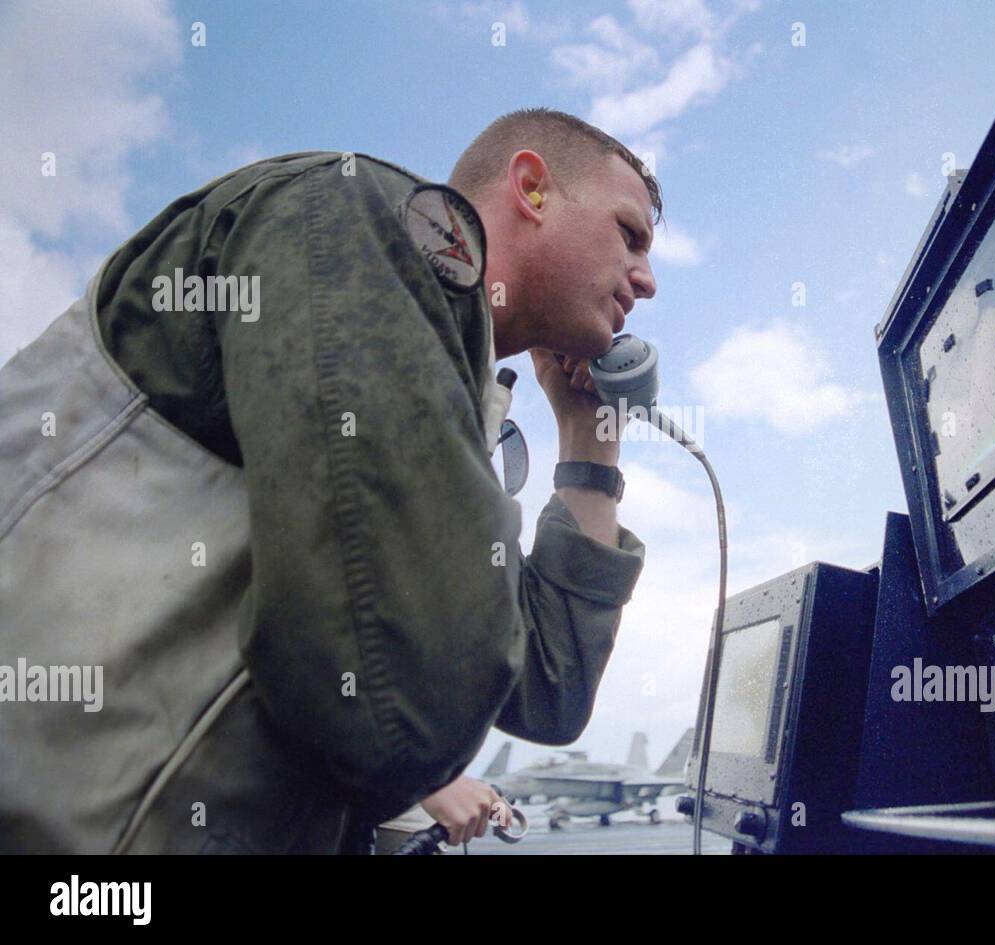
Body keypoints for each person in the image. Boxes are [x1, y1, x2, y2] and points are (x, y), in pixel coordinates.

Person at [0, 108, 660, 853]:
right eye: (629, 234)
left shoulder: (456, 408)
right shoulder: (360, 217)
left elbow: (549, 690)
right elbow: (396, 713)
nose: (647, 279)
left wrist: (590, 440)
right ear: (532, 189)